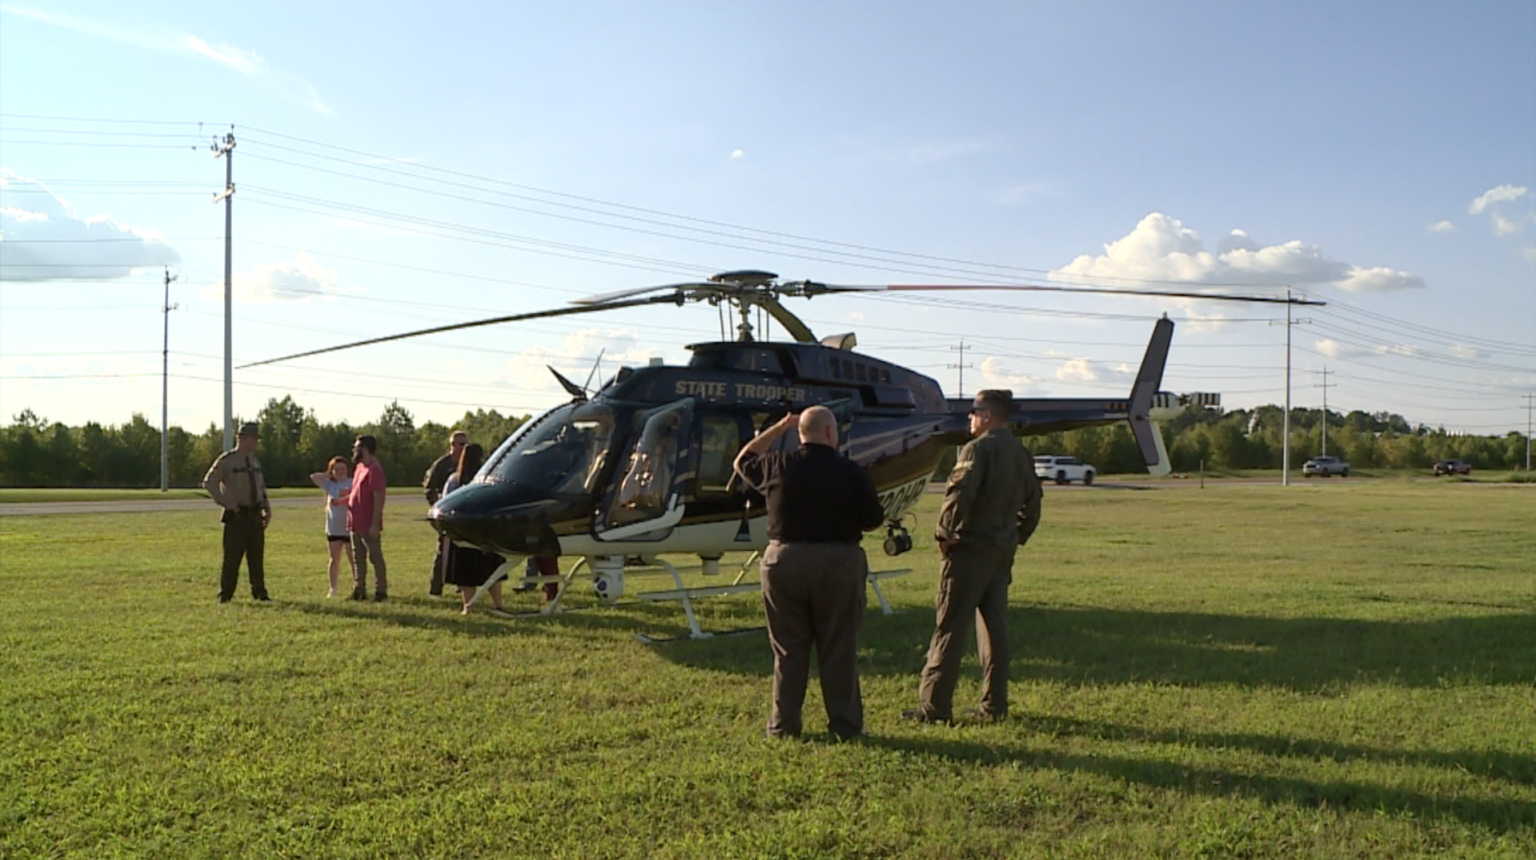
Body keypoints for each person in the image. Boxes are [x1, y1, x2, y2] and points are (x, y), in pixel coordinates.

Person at [733, 405, 885, 740]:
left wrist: (778, 428)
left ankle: (783, 726)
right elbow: (874, 518)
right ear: (830, 432)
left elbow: (743, 461)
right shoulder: (850, 471)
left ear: (799, 434)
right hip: (838, 563)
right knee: (838, 647)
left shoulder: (778, 464)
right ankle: (844, 727)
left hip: (783, 561)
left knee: (788, 650)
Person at [905, 389, 1042, 724]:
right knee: (995, 629)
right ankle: (994, 705)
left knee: (950, 627)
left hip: (969, 550)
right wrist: (1017, 535)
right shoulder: (1020, 453)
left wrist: (944, 534)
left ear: (988, 416)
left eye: (974, 412)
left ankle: (934, 707)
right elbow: (1034, 502)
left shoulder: (977, 449)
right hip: (1001, 550)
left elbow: (959, 494)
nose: (969, 417)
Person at [203, 421, 272, 603]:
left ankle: (260, 593)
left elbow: (260, 486)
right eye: (253, 438)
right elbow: (209, 482)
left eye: (256, 439)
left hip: (255, 516)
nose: (256, 442)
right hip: (237, 517)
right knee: (232, 559)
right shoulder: (227, 460)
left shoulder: (255, 461)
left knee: (256, 558)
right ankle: (225, 595)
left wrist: (267, 507)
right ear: (241, 438)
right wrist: (225, 502)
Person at [442, 443, 512, 617]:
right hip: (485, 531)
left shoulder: (454, 479)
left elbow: (446, 501)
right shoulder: (490, 480)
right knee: (492, 570)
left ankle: (468, 606)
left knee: (466, 573)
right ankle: (498, 605)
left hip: (462, 531)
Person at [423, 429, 468, 597]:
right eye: (462, 444)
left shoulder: (469, 463)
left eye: (466, 444)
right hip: (446, 515)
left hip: (464, 515)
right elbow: (429, 488)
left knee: (465, 550)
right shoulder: (442, 465)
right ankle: (435, 589)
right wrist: (439, 507)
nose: (465, 447)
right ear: (452, 445)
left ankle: (463, 585)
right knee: (443, 551)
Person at [347, 434, 388, 601]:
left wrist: (375, 523)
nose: (354, 450)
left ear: (365, 449)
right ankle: (359, 589)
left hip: (367, 522)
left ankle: (381, 591)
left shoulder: (374, 470)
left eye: (357, 447)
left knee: (375, 557)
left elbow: (379, 498)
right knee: (358, 557)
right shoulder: (359, 467)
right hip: (355, 521)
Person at [309, 456, 354, 598]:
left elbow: (354, 497)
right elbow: (314, 477)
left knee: (353, 559)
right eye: (337, 469)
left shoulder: (352, 482)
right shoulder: (330, 485)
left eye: (343, 469)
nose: (340, 472)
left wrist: (341, 501)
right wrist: (329, 475)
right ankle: (333, 588)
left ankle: (357, 586)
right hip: (334, 527)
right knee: (334, 559)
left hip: (350, 527)